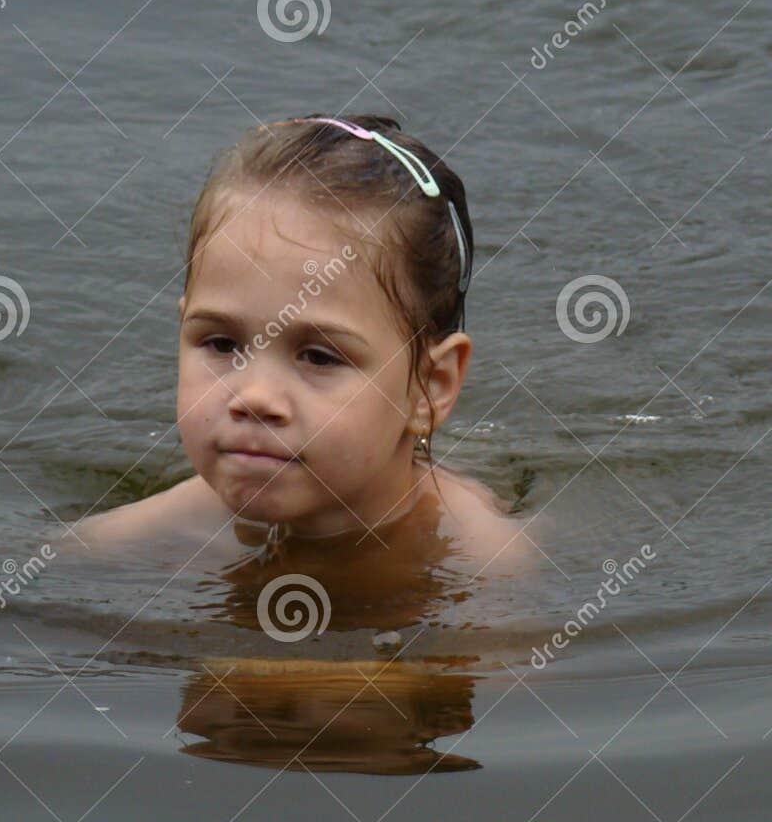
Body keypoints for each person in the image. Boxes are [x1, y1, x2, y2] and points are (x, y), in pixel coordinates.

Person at [78, 114, 531, 577]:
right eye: (221, 343)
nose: (253, 398)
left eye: (318, 356)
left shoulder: (485, 562)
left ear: (430, 386)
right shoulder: (132, 539)